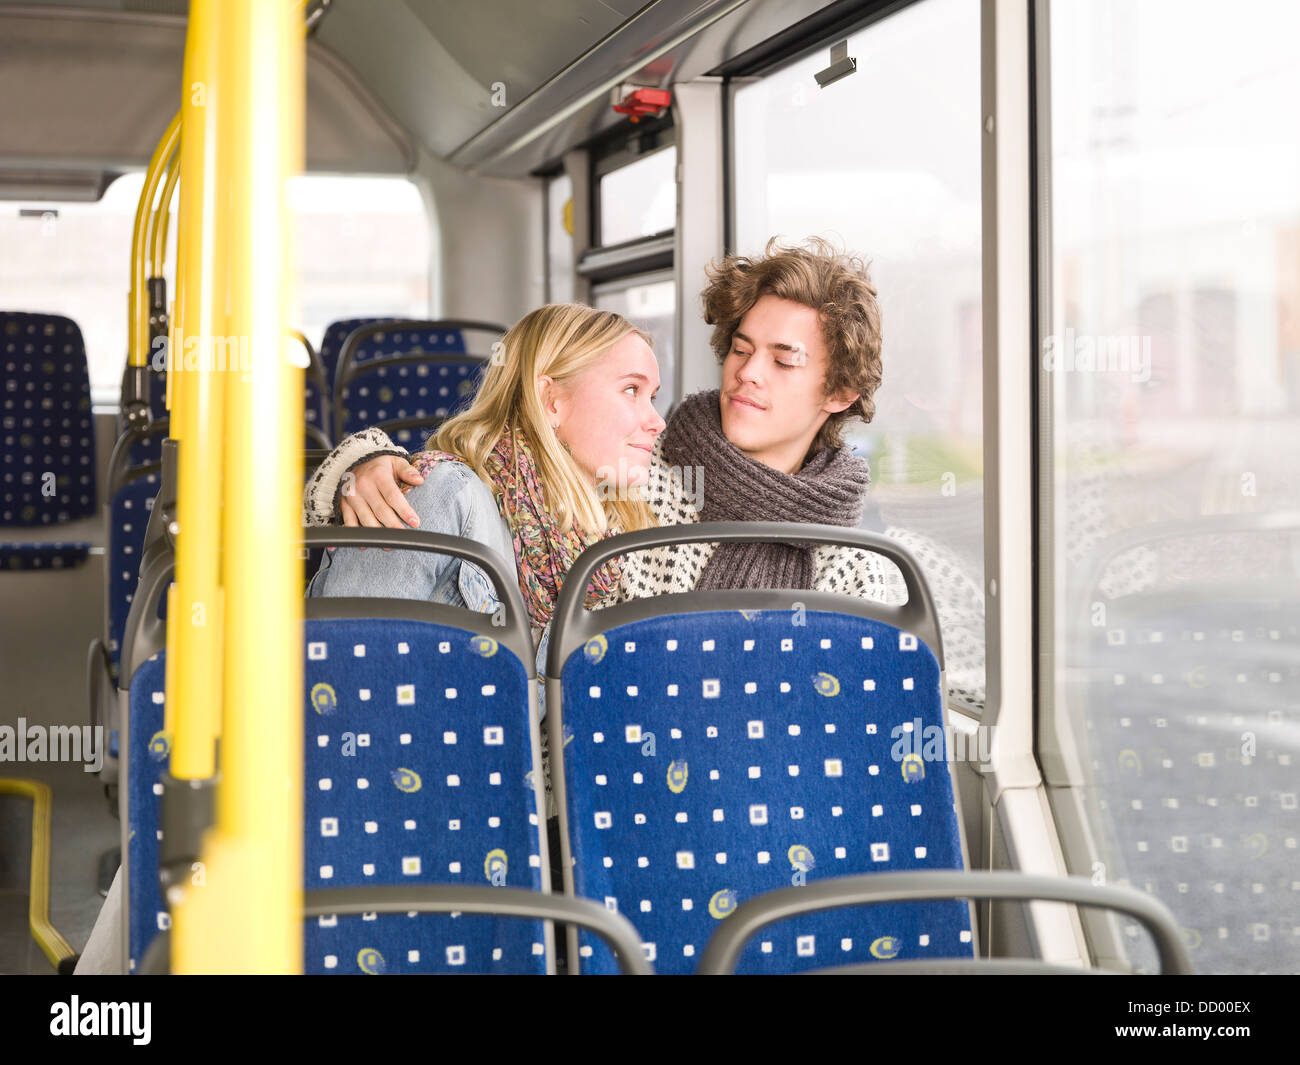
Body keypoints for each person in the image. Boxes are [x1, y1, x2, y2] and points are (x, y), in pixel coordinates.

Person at [305, 238, 906, 609]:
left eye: (784, 359)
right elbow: (488, 474)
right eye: (743, 349)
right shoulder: (630, 470)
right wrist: (359, 463)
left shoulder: (857, 567)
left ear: (840, 392)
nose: (748, 373)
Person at [306, 303, 666, 669]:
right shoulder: (444, 493)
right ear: (551, 401)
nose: (658, 421)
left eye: (652, 396)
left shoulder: (598, 532)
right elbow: (343, 668)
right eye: (631, 389)